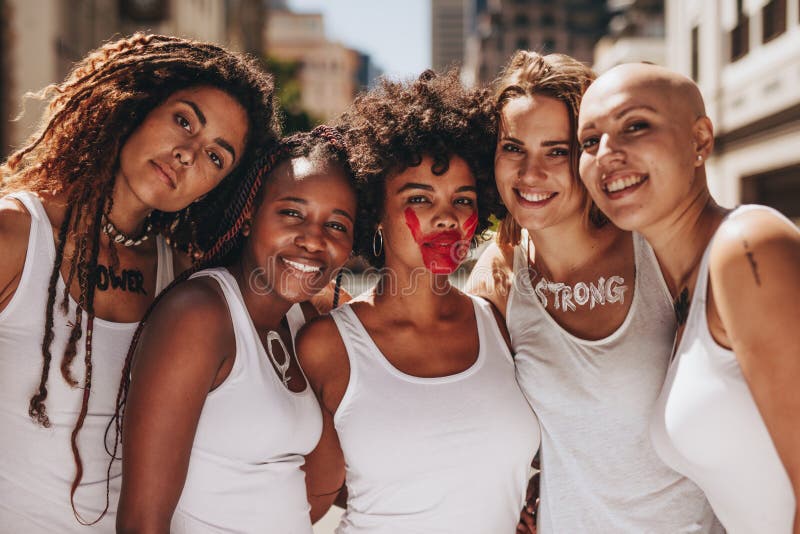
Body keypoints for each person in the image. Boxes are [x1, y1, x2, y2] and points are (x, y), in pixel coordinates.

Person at [0, 33, 278, 531]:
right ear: (137, 104)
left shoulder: (184, 282)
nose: (189, 154)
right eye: (184, 120)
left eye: (217, 156)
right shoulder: (16, 234)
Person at [467, 51, 721, 533]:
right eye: (513, 148)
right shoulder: (500, 273)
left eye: (556, 150)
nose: (530, 173)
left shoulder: (656, 247)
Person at [295, 69, 539, 534]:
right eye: (420, 198)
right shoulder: (327, 345)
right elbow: (297, 495)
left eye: (463, 200)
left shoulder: (500, 323)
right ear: (375, 211)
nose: (446, 217)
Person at [577, 62, 800, 534]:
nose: (606, 154)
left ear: (700, 140)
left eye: (635, 126)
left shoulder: (747, 247)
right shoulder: (677, 293)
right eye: (589, 141)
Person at [114, 126, 358, 534]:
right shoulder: (200, 314)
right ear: (249, 216)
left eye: (336, 225)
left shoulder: (304, 319)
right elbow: (143, 520)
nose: (314, 240)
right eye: (292, 213)